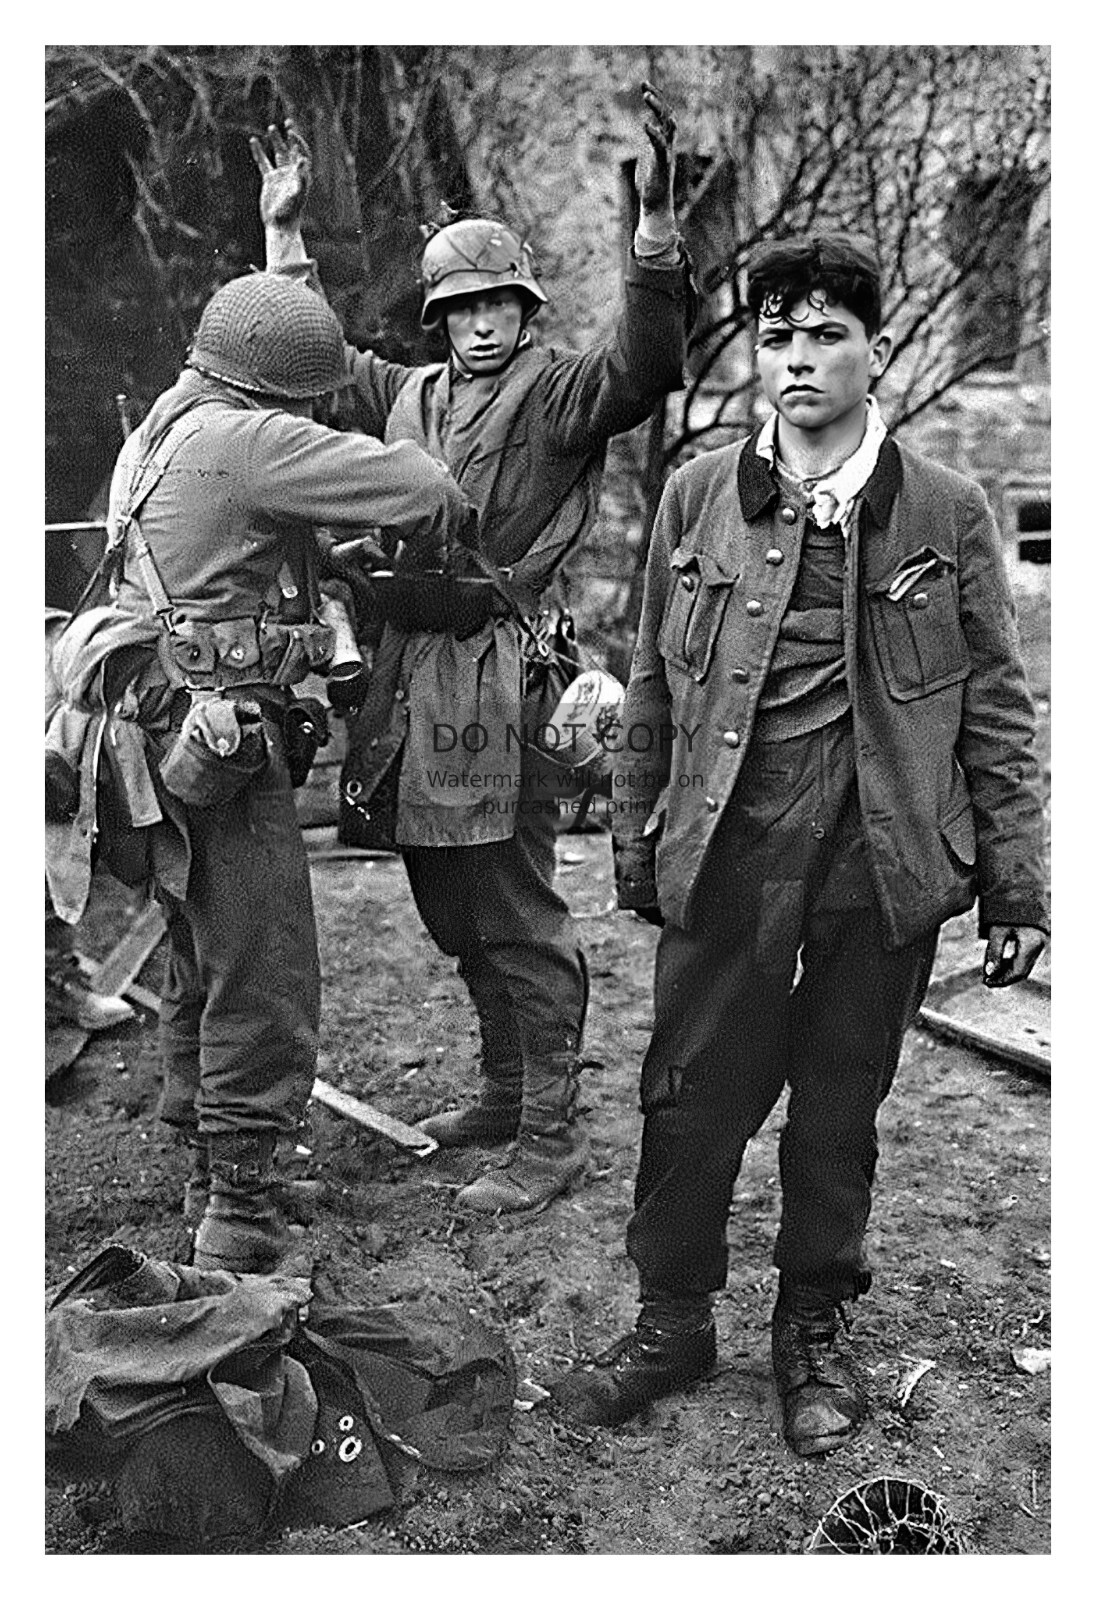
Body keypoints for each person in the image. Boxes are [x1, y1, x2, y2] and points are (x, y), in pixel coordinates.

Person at [551, 232, 1048, 1455]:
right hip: (728, 849)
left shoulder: (945, 508)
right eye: (776, 336)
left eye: (826, 334)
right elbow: (655, 689)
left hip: (879, 870)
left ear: (876, 349)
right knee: (687, 1098)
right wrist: (635, 842)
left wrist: (1014, 886)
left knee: (837, 1112)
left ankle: (811, 1335)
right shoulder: (697, 497)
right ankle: (672, 1324)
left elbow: (993, 702)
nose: (797, 359)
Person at [254, 84, 693, 1214]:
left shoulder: (553, 396)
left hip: (500, 680)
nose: (483, 323)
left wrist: (649, 235)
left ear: (525, 309)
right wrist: (284, 233)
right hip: (407, 676)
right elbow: (314, 357)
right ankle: (503, 1089)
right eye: (463, 308)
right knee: (447, 900)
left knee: (513, 904)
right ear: (439, 320)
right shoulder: (407, 395)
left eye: (501, 303)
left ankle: (550, 1135)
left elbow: (640, 369)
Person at [45, 269, 473, 1274]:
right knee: (265, 972)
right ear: (289, 389)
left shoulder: (162, 424)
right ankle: (239, 1213)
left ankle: (216, 1166)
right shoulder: (254, 441)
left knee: (201, 959)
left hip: (147, 738)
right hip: (213, 743)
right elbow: (428, 489)